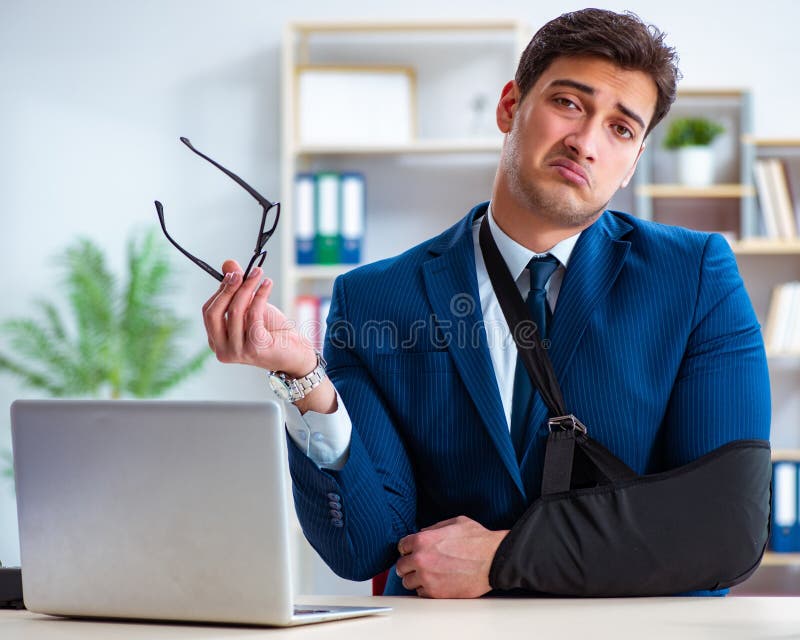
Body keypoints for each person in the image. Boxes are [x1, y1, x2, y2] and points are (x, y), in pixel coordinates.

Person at [202, 9, 770, 598]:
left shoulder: (695, 275)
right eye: (569, 103)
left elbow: (726, 525)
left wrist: (506, 558)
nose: (586, 141)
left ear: (633, 163)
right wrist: (302, 378)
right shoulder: (374, 298)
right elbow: (363, 546)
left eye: (621, 129)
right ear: (509, 106)